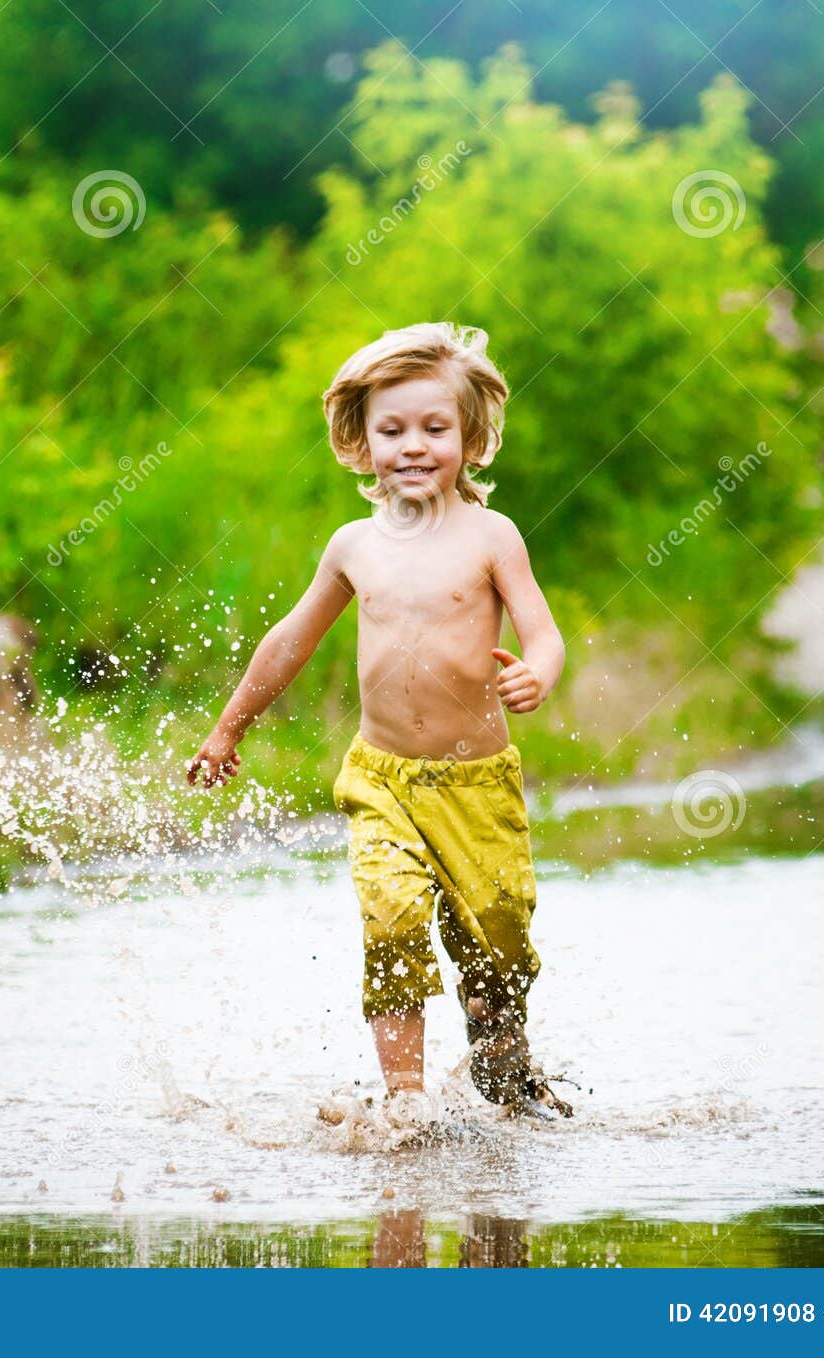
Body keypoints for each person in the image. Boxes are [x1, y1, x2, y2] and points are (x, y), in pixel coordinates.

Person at [187, 322, 571, 1122]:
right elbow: (289, 642)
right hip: (382, 778)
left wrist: (539, 670)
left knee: (497, 932)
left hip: (477, 784)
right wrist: (229, 728)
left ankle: (502, 1054)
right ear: (361, 441)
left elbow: (542, 628)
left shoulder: (492, 537)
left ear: (469, 436)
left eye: (435, 428)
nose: (413, 447)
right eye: (391, 430)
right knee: (391, 919)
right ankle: (405, 1104)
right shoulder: (352, 546)